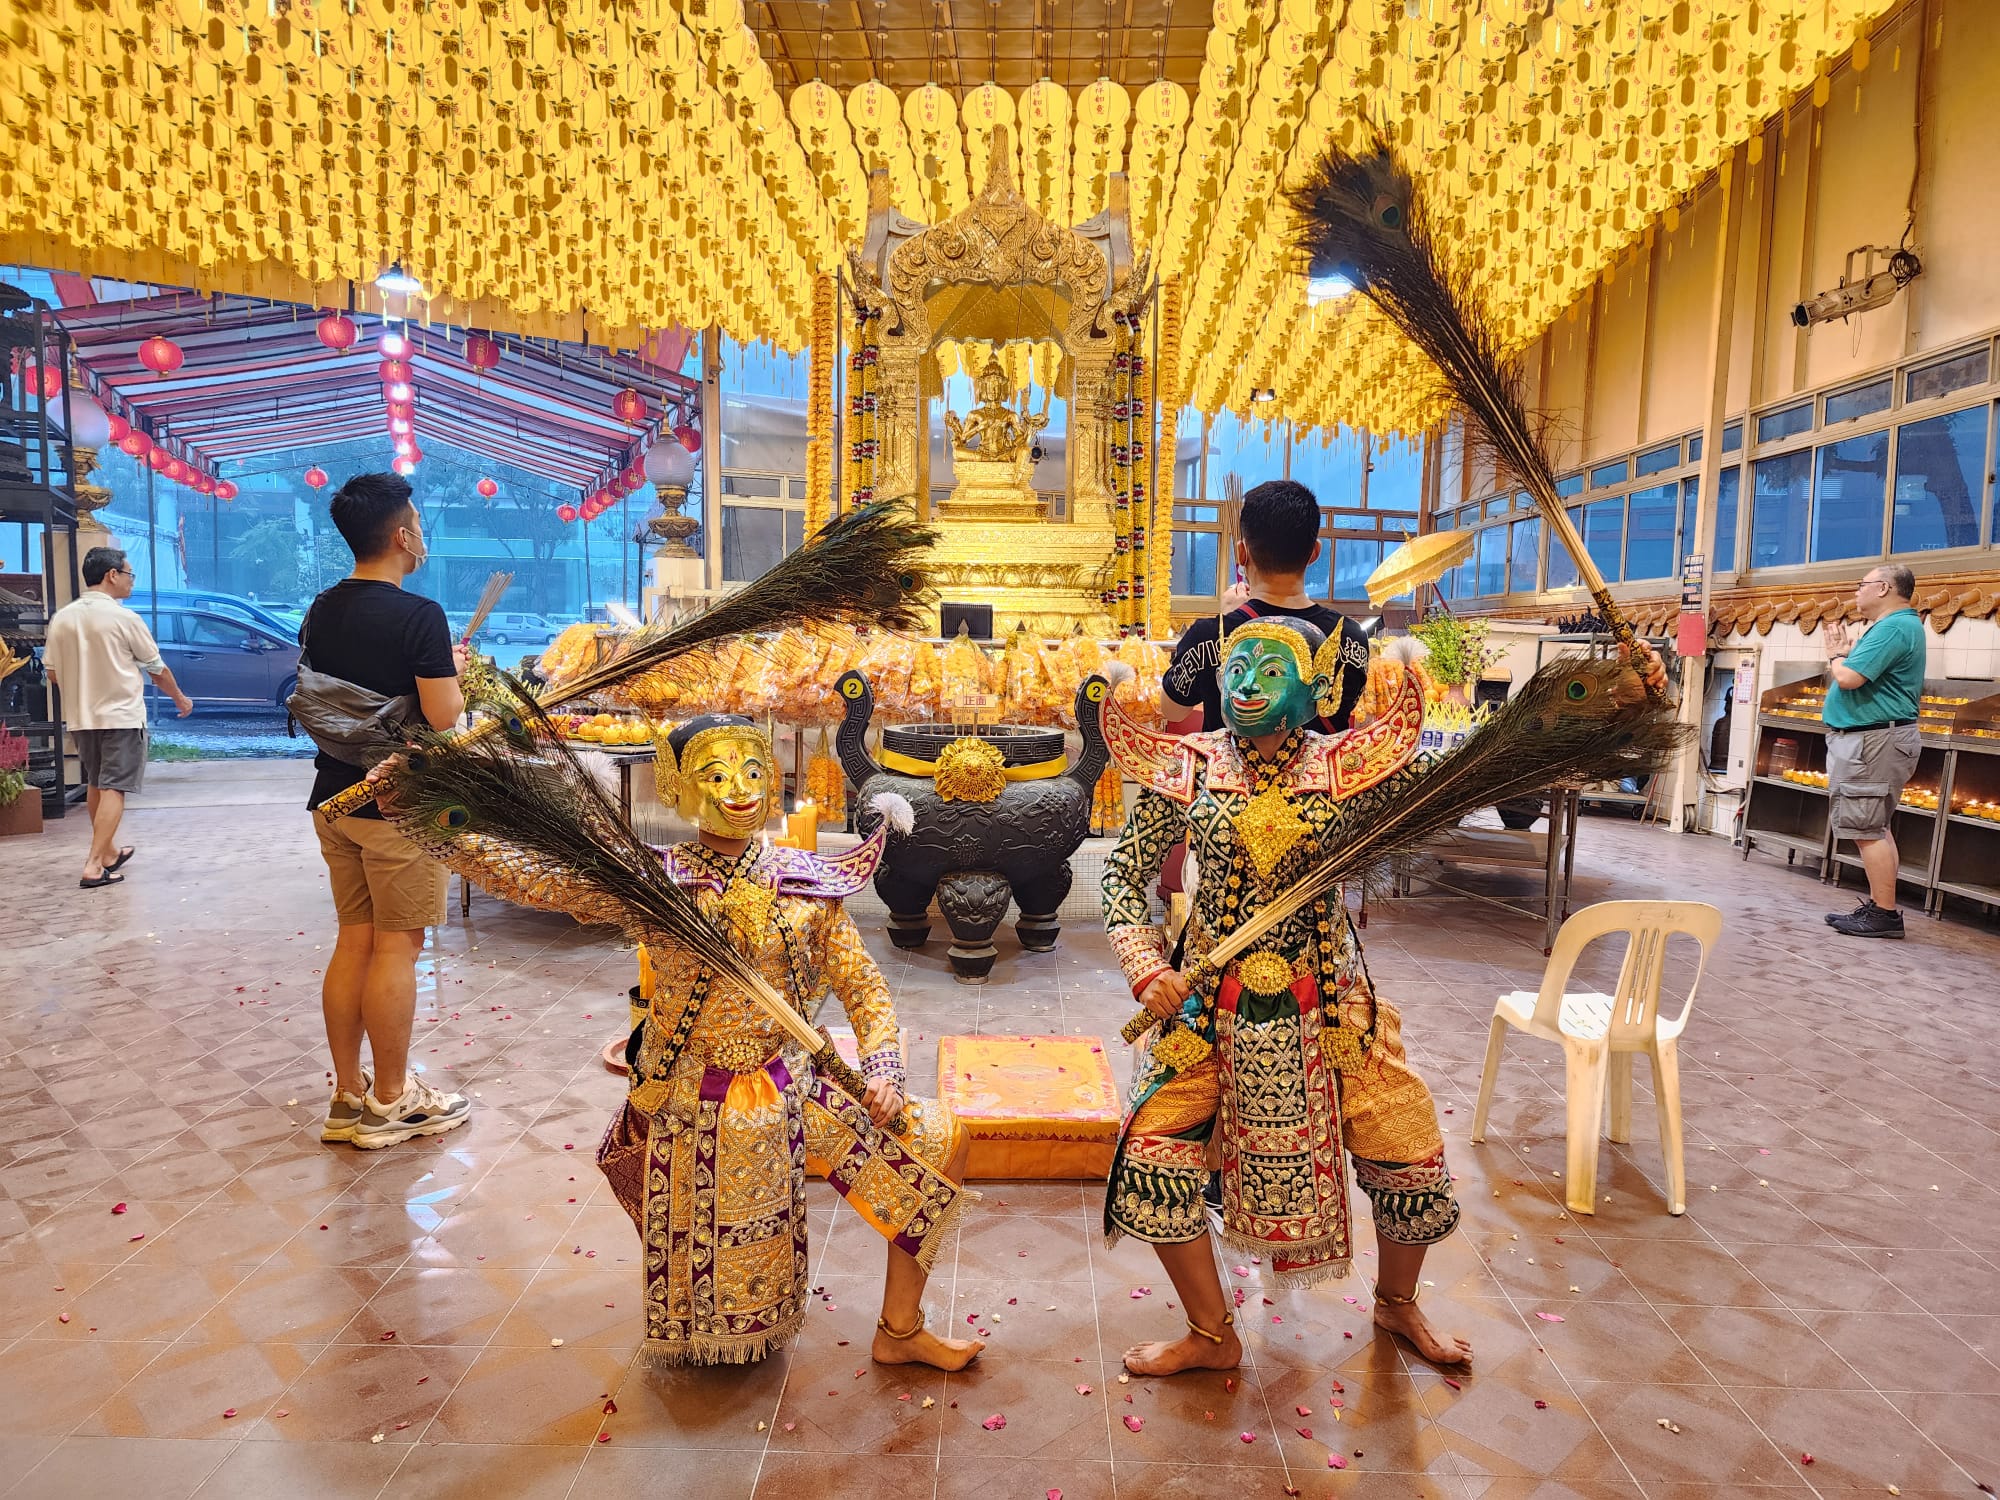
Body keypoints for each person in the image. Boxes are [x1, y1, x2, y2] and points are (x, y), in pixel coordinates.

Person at [388, 713, 984, 1370]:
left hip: (797, 1087)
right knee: (721, 1332)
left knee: (938, 1138)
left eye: (753, 770)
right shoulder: (653, 882)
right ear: (679, 790)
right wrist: (427, 810)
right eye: (717, 773)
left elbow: (864, 987)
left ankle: (900, 1330)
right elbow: (535, 875)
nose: (739, 789)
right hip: (694, 1103)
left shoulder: (807, 881)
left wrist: (885, 1072)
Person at [1099, 615, 1471, 1376]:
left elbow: (1465, 781)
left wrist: (1614, 707)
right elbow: (1119, 876)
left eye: (1271, 672)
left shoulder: (1349, 767)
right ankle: (1210, 1333)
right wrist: (1146, 968)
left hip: (1330, 1003)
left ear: (1313, 690)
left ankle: (1398, 1304)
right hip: (1208, 1007)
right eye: (1237, 670)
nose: (1245, 686)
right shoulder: (1193, 767)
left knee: (1412, 1152)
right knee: (1148, 1154)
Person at [303, 472, 472, 1147]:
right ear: (402, 535)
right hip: (398, 803)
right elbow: (443, 714)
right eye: (418, 522)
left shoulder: (320, 608)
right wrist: (452, 673)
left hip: (333, 798)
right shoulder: (419, 615)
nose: (422, 533)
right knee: (398, 949)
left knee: (355, 940)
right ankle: (394, 1100)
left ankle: (348, 1098)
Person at [42, 546, 193, 888]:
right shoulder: (123, 618)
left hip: (82, 717)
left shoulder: (63, 618)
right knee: (115, 787)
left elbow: (52, 673)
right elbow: (157, 669)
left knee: (97, 783)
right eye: (129, 575)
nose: (130, 582)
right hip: (121, 715)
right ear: (112, 575)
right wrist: (181, 699)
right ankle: (95, 864)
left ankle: (108, 851)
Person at [1821, 564, 1927, 939]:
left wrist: (1836, 655)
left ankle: (1884, 915)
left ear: (1883, 588)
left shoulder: (1895, 626)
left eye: (1861, 585)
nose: (1857, 591)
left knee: (1867, 828)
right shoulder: (1892, 626)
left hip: (1873, 742)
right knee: (1875, 827)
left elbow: (1849, 678)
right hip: (1873, 740)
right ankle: (1882, 909)